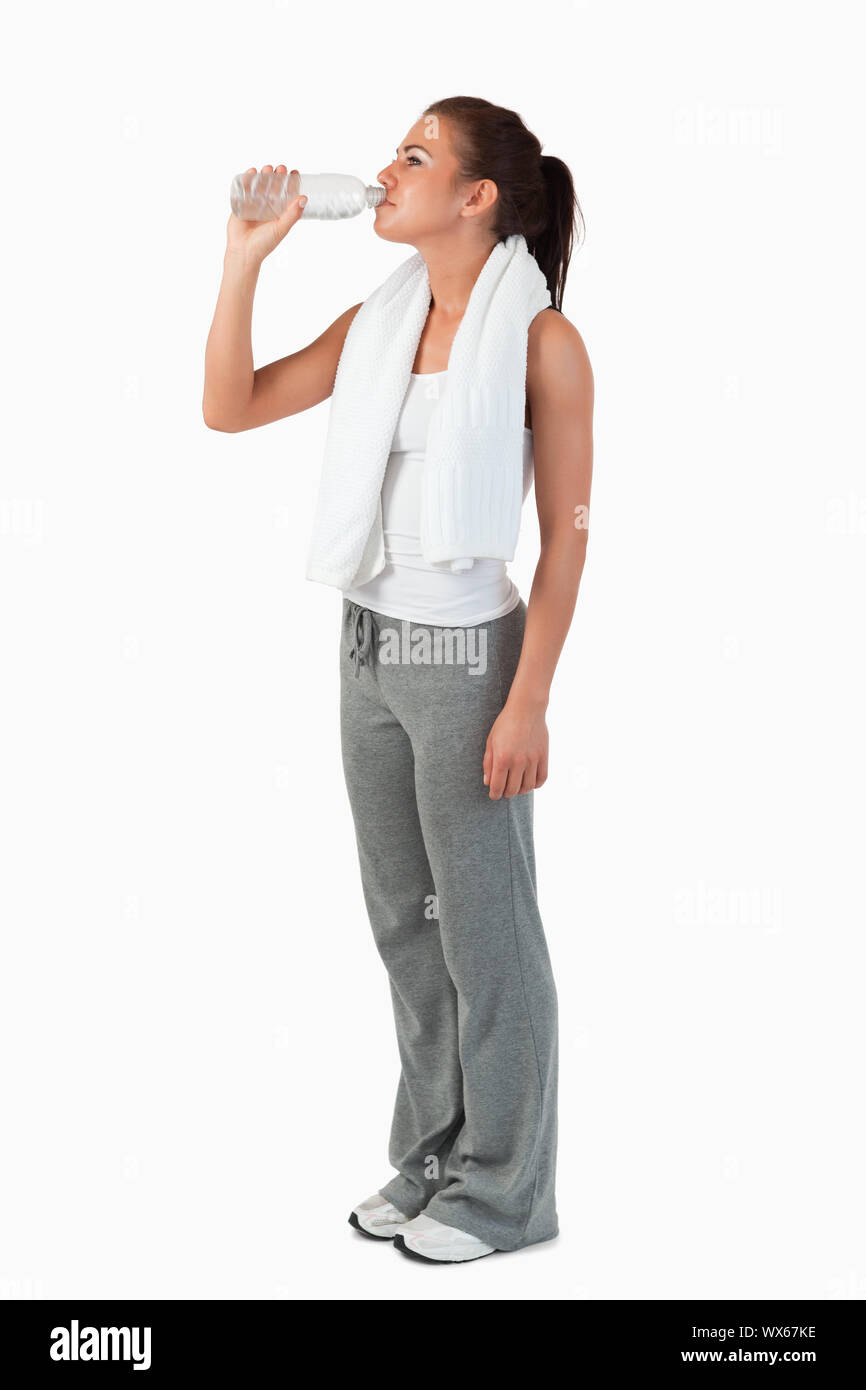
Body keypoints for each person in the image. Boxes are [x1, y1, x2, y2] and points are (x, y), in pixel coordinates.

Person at [203, 95, 594, 1264]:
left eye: (413, 155)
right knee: (404, 925)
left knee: (486, 932)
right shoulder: (377, 320)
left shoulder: (542, 343)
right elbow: (231, 407)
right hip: (369, 644)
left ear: (475, 198)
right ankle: (434, 1151)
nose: (384, 170)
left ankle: (506, 1192)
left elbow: (568, 532)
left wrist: (527, 696)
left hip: (468, 656)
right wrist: (241, 262)